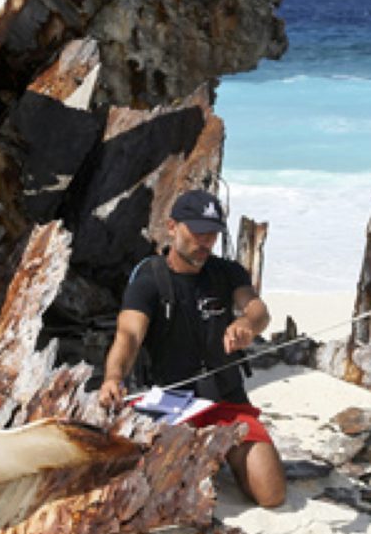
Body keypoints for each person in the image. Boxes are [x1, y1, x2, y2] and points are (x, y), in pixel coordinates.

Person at [98, 188, 287, 507]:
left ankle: (223, 453)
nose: (205, 242)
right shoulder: (148, 280)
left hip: (227, 398)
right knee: (155, 492)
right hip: (170, 402)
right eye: (197, 232)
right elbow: (128, 335)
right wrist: (113, 377)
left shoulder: (227, 272)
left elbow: (258, 311)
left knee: (271, 494)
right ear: (172, 227)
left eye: (212, 234)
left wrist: (247, 325)